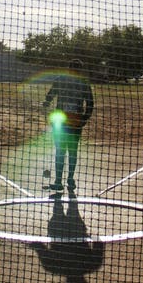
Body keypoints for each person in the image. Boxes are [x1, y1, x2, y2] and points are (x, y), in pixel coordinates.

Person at [42, 63, 94, 194]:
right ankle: (68, 180)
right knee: (71, 151)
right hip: (72, 122)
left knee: (61, 150)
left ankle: (60, 181)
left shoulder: (62, 80)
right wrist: (85, 118)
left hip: (63, 121)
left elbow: (51, 94)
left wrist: (46, 102)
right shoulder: (82, 83)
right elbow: (90, 103)